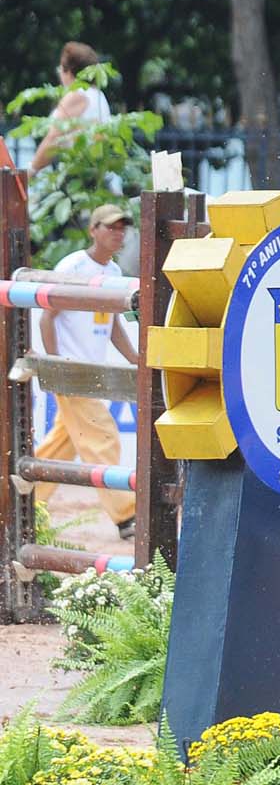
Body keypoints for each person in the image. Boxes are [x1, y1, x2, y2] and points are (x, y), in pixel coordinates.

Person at [32, 204, 139, 539]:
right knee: (103, 435)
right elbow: (47, 316)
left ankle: (24, 500)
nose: (118, 233)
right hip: (73, 371)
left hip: (88, 372)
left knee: (59, 447)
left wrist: (136, 358)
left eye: (122, 228)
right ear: (93, 230)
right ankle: (126, 516)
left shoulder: (116, 274)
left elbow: (114, 326)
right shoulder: (74, 266)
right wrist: (57, 363)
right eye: (111, 227)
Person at [30, 41, 112, 175]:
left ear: (67, 71)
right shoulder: (98, 94)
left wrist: (30, 172)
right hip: (99, 174)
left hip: (80, 177)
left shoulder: (76, 95)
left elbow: (52, 140)